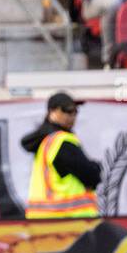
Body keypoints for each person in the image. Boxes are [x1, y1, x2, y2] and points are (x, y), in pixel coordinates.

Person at [21, 90, 102, 218]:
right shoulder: (61, 141)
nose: (73, 115)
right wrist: (96, 167)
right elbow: (91, 175)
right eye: (67, 111)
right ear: (52, 112)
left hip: (44, 220)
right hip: (67, 220)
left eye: (75, 111)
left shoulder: (45, 141)